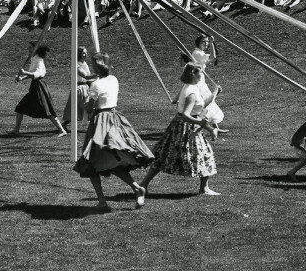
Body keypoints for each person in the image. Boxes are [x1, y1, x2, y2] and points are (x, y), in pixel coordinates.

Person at [73, 52, 155, 210]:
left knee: (91, 160)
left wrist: (86, 101)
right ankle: (136, 188)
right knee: (111, 159)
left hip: (100, 122)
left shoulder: (96, 85)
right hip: (115, 119)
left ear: (96, 67)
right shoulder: (114, 79)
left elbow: (89, 108)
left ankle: (103, 201)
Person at [140, 63, 221, 196]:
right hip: (186, 127)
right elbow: (186, 114)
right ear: (193, 74)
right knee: (205, 153)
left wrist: (214, 93)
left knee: (164, 155)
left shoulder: (190, 87)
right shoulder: (191, 92)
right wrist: (201, 122)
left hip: (181, 125)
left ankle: (144, 184)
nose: (202, 74)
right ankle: (204, 188)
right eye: (200, 72)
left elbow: (200, 106)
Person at [12, 45, 68, 136]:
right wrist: (22, 78)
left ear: (35, 49)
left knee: (47, 110)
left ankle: (62, 130)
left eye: (30, 48)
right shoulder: (34, 58)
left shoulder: (39, 60)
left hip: (39, 87)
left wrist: (25, 73)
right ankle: (16, 130)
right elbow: (32, 73)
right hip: (34, 87)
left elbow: (37, 74)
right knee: (20, 108)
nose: (28, 49)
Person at [63, 46, 97, 126]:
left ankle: (64, 125)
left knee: (84, 107)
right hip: (79, 89)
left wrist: (96, 80)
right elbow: (85, 76)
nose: (85, 55)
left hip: (85, 87)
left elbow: (88, 79)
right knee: (82, 107)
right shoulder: (76, 65)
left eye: (86, 53)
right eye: (83, 53)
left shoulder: (84, 63)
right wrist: (99, 74)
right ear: (79, 54)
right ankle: (64, 125)